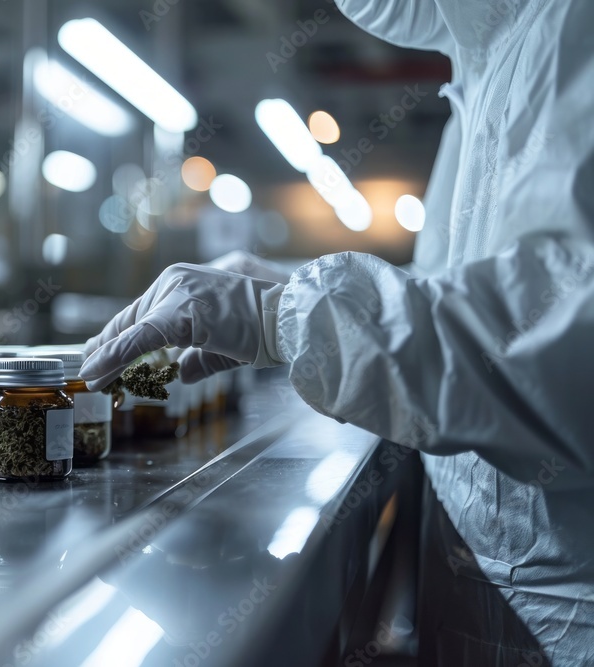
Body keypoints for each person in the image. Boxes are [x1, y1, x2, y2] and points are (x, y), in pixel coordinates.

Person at [80, 0, 594, 664]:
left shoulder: (571, 27)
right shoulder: (496, 49)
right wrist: (284, 284)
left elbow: (559, 347)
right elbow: (473, 287)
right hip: (503, 596)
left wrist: (284, 316)